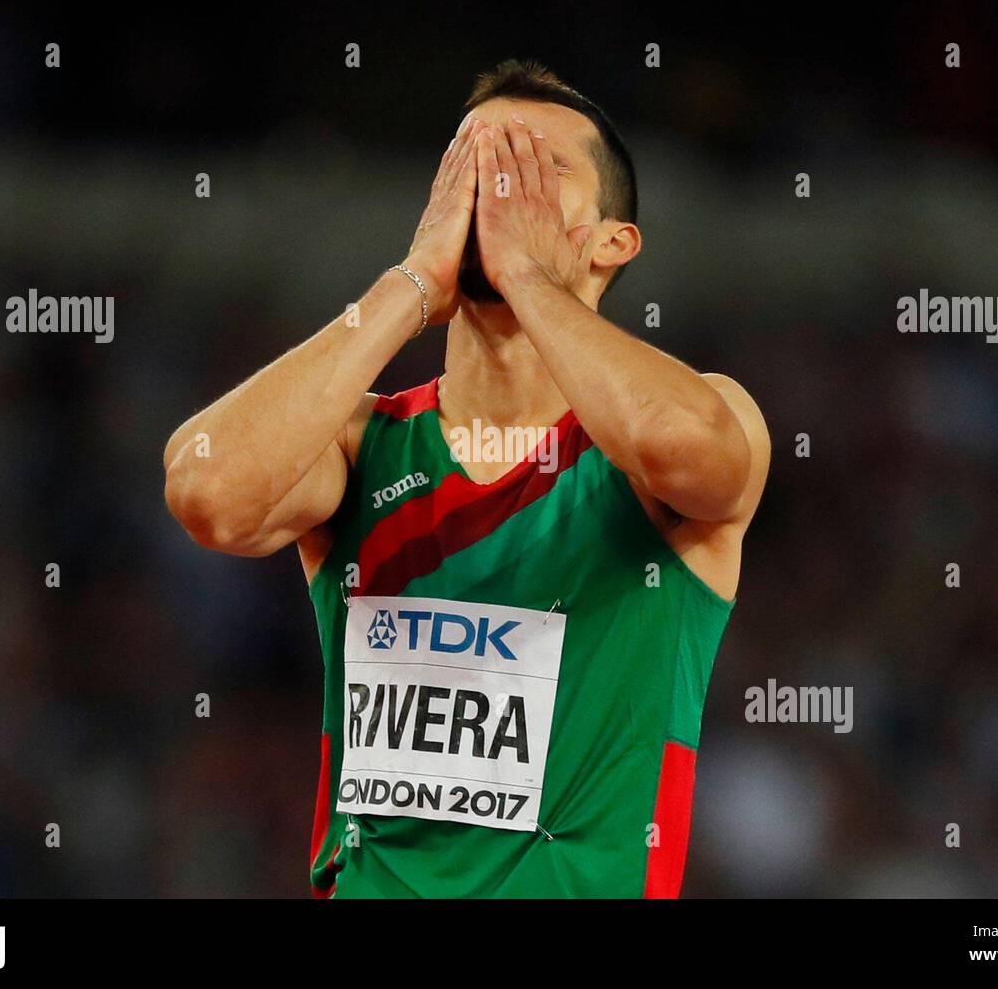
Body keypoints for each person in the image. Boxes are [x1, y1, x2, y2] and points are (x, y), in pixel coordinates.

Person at [163, 60, 770, 897]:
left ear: (611, 241)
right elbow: (208, 494)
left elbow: (685, 449)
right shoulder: (360, 444)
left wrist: (527, 276)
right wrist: (409, 285)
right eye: (476, 163)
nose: (500, 188)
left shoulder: (686, 428)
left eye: (537, 167)